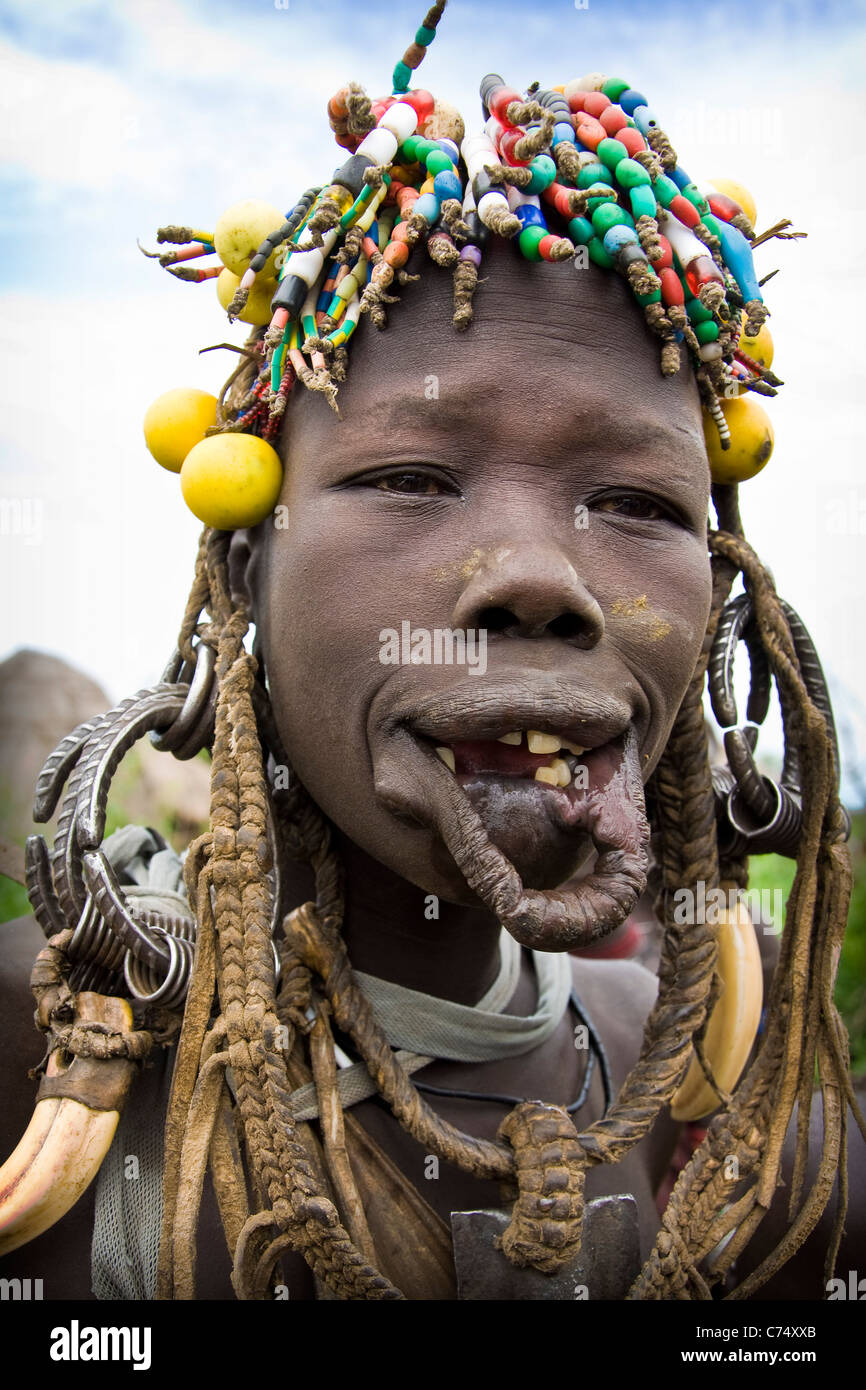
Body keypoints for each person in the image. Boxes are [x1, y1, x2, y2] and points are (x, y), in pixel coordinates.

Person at [0, 0, 859, 1301]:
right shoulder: (31, 1047)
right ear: (249, 564)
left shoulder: (757, 1106)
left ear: (722, 594)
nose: (535, 578)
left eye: (636, 503)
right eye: (409, 475)